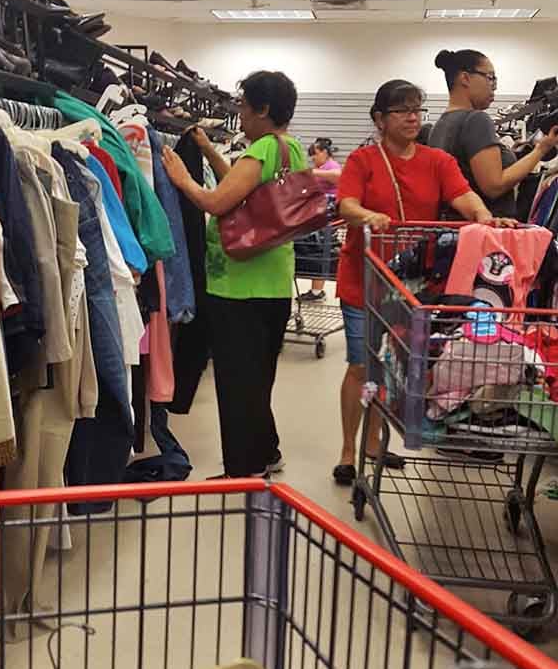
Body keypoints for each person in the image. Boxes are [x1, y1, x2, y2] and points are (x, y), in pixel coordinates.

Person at [333, 78, 501, 487]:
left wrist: (483, 216)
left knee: (391, 364)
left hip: (412, 284)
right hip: (363, 278)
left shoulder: (437, 161)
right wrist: (367, 216)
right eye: (402, 110)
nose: (412, 117)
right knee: (361, 363)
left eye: (417, 109)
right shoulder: (363, 160)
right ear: (380, 119)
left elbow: (464, 196)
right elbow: (346, 204)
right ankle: (347, 450)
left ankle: (373, 442)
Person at [162, 70, 305, 478]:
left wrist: (182, 179)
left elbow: (217, 202)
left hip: (239, 286)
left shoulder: (260, 150)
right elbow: (243, 189)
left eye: (244, 105)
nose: (239, 113)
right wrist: (209, 152)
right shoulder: (289, 148)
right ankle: (267, 452)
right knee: (258, 378)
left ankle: (244, 469)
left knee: (237, 381)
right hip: (273, 282)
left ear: (263, 109)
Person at [430, 49, 558, 217]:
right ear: (465, 78)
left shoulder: (439, 125)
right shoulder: (476, 120)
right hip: (485, 226)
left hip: (454, 225)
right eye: (490, 77)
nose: (495, 86)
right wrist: (541, 149)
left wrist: (510, 154)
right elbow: (494, 186)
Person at [301, 138, 342, 301]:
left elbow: (339, 176)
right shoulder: (321, 167)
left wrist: (314, 172)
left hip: (326, 218)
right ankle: (316, 290)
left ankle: (317, 291)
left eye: (316, 154)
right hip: (317, 216)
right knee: (316, 251)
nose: (313, 158)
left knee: (320, 251)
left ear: (325, 152)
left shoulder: (332, 166)